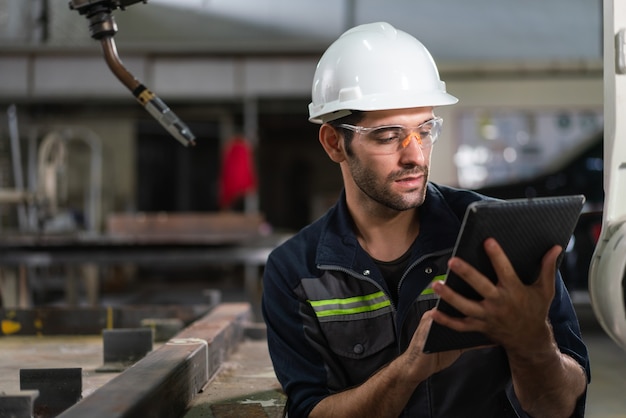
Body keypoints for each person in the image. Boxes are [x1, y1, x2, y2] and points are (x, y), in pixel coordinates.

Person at [262, 22, 589, 418]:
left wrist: (532, 343)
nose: (415, 156)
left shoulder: (502, 237)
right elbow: (309, 412)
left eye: (426, 130)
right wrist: (406, 371)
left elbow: (561, 408)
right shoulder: (296, 272)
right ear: (335, 143)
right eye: (388, 136)